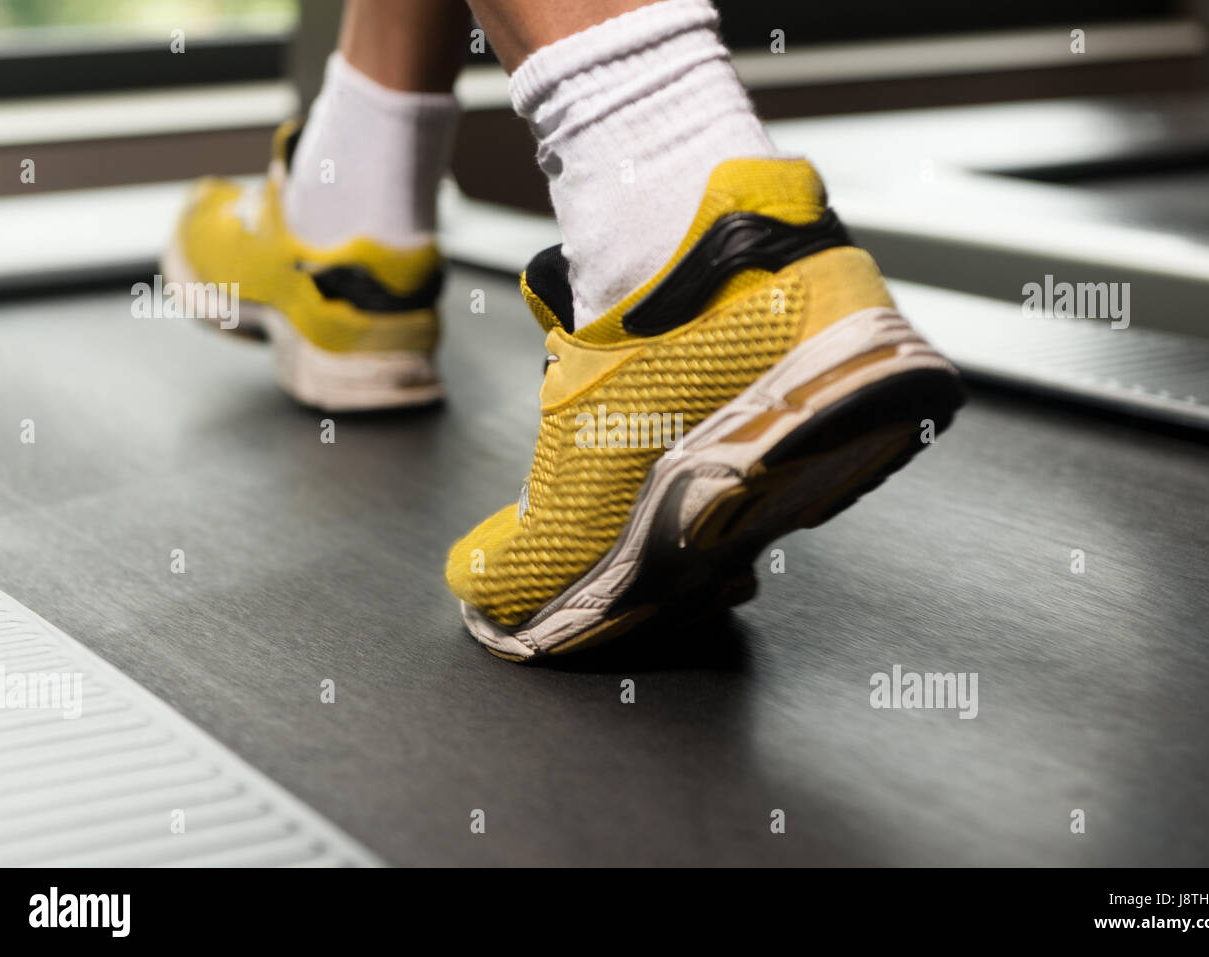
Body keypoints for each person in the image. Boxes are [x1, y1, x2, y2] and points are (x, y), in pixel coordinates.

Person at [165, 0, 963, 661]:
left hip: (707, 298)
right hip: (796, 264)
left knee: (655, 170)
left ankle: (675, 234)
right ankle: (353, 220)